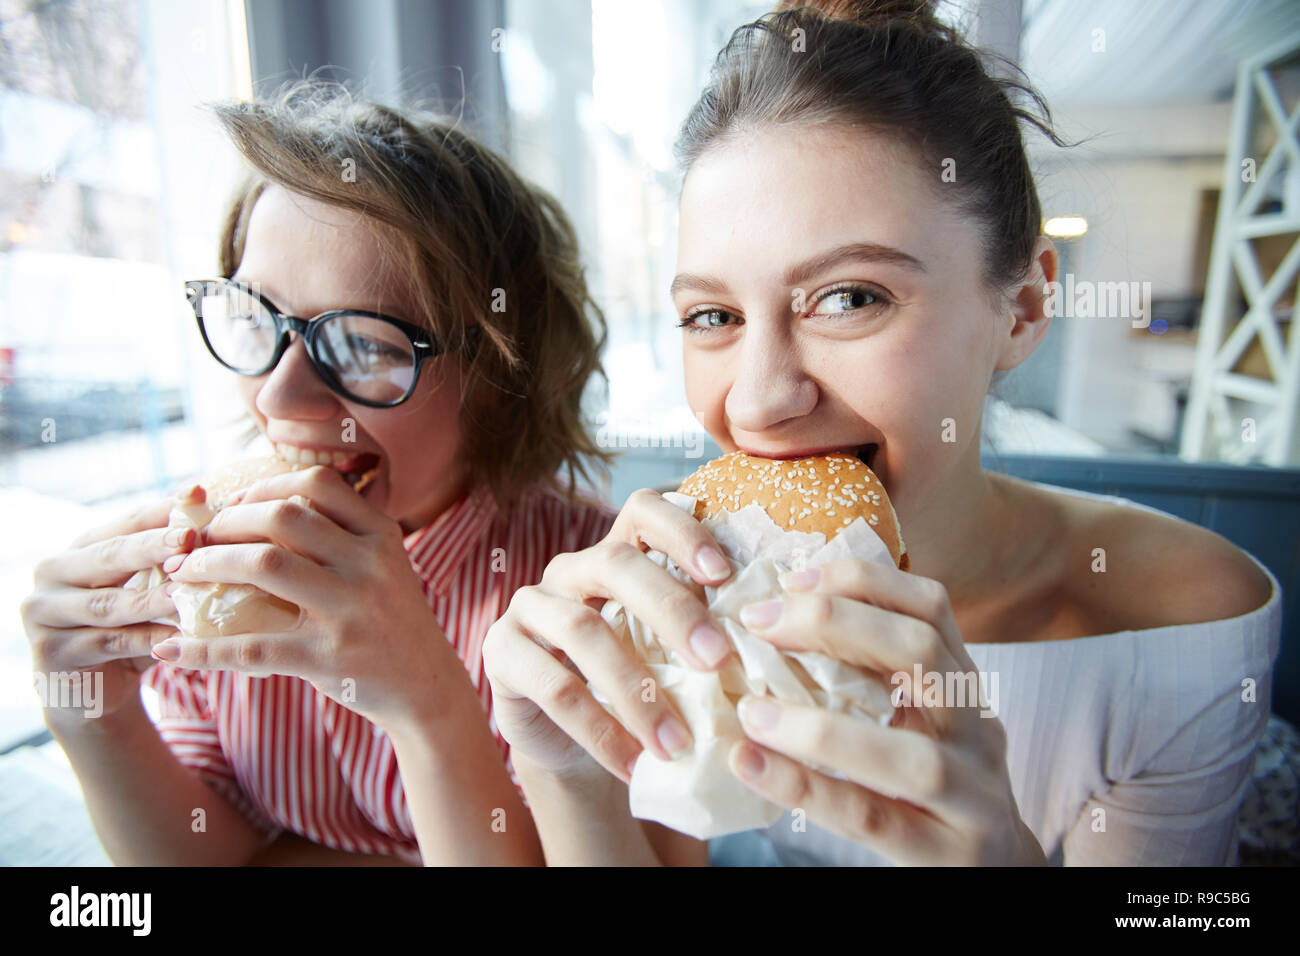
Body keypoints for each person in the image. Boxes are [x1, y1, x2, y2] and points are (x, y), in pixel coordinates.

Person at [482, 0, 1282, 866]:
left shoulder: (1180, 616)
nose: (756, 405)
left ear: (1022, 308)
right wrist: (561, 765)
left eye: (851, 297)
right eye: (712, 315)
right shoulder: (677, 603)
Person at [21, 80, 615, 866]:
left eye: (366, 343)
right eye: (259, 316)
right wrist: (97, 719)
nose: (278, 394)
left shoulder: (594, 588)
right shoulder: (218, 567)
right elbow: (212, 851)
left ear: (499, 379)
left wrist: (426, 703)